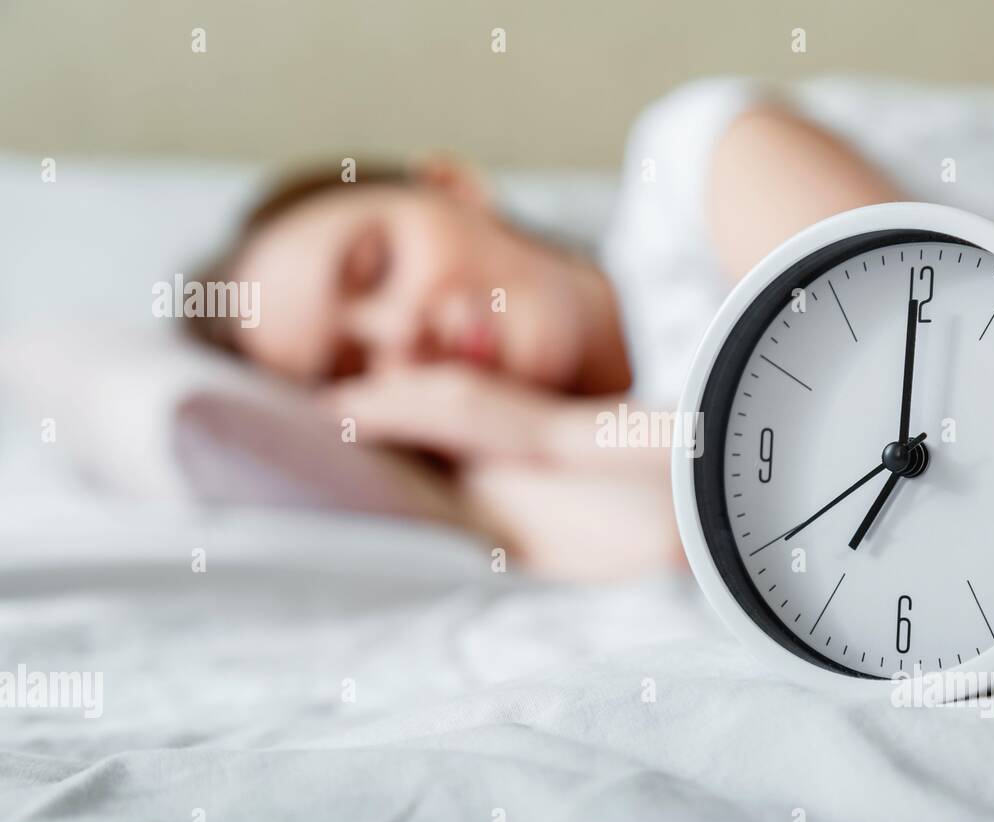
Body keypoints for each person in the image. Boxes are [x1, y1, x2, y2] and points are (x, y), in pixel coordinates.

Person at [188, 81, 900, 580]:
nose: (401, 334)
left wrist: (544, 436)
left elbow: (879, 412)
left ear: (452, 186)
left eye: (376, 268)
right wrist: (485, 458)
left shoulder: (695, 158)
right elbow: (666, 546)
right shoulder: (531, 456)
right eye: (353, 367)